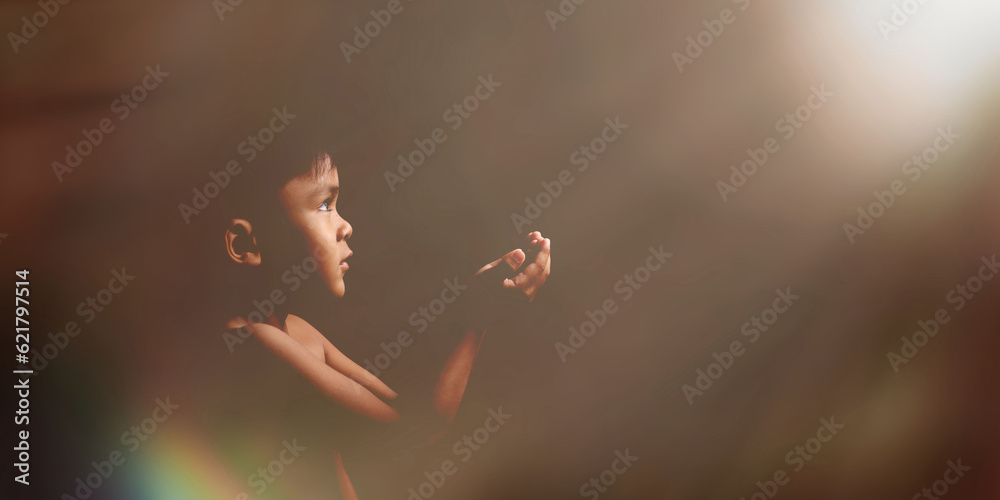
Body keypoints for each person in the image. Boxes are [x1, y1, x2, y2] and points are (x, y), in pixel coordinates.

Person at [218, 143, 552, 498]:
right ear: (245, 244)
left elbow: (409, 410)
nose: (345, 225)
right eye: (322, 206)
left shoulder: (298, 330)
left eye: (336, 204)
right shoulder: (256, 339)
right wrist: (481, 313)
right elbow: (416, 428)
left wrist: (483, 302)